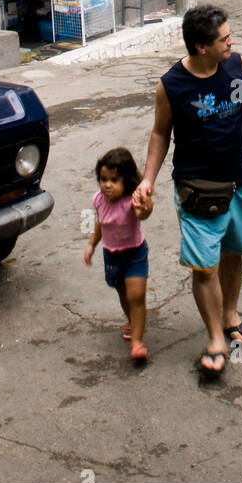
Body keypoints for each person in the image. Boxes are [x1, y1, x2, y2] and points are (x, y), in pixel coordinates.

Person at [134, 4, 242, 377]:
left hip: (239, 183)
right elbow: (160, 134)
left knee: (233, 253)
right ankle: (216, 338)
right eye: (224, 39)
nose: (231, 42)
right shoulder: (172, 85)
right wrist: (148, 179)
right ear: (202, 46)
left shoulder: (236, 67)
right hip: (197, 190)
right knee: (204, 267)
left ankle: (230, 316)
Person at [83, 147, 153, 364]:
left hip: (135, 253)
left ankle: (137, 343)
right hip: (112, 256)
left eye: (114, 180)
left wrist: (145, 206)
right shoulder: (98, 200)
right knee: (123, 294)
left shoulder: (131, 200)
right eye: (103, 179)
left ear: (127, 180)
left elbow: (145, 211)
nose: (107, 185)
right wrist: (91, 244)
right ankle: (132, 321)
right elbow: (101, 224)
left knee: (136, 295)